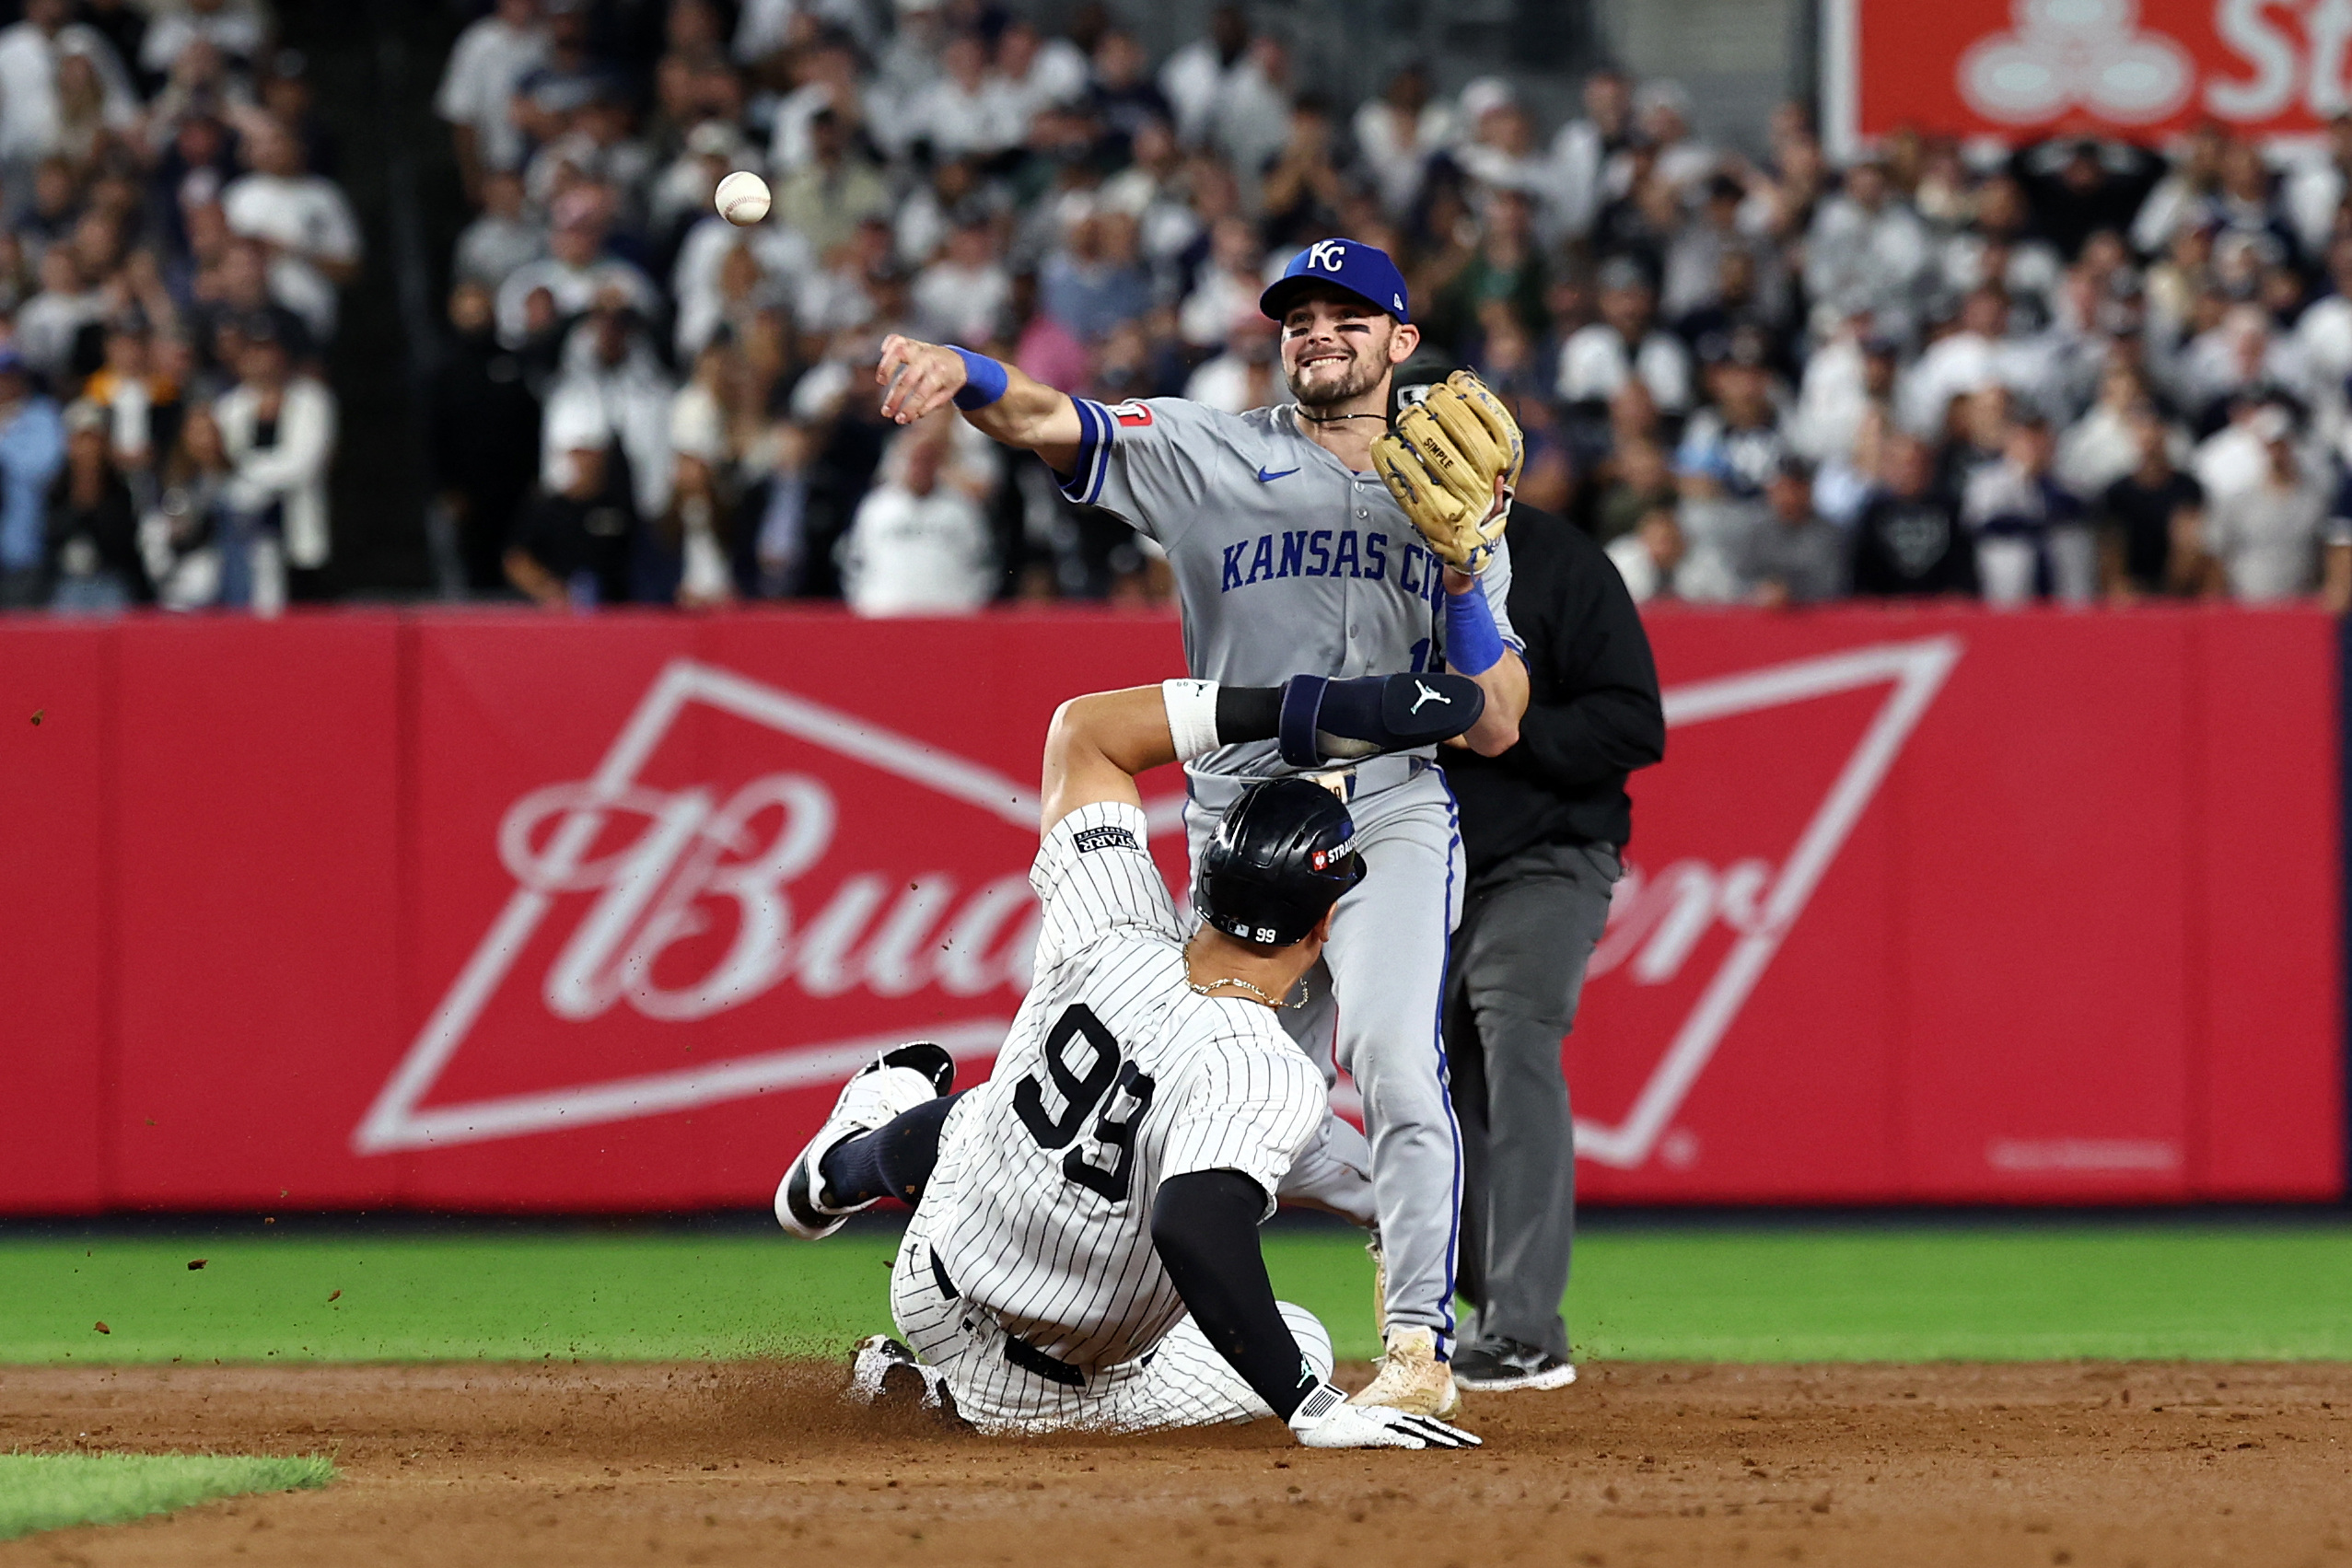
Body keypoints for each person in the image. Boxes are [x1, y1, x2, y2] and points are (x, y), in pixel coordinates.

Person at [874, 236, 1531, 1418]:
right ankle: (1379, 1210)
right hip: (1239, 815)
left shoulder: (1451, 486)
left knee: (1388, 1054)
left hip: (1386, 802)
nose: (1318, 331)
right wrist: (962, 369)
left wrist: (1463, 571)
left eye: (1348, 314)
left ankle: (1422, 1338)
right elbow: (1044, 419)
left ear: (1401, 341)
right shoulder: (1208, 450)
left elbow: (1495, 724)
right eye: (1300, 316)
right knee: (1214, 1086)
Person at [775, 671, 1488, 1446]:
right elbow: (1191, 1222)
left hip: (931, 1270)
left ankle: (834, 1171)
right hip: (1038, 1386)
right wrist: (1308, 1404)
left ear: (1209, 875)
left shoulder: (1112, 919)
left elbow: (1084, 732)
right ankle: (931, 1399)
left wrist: (1305, 709)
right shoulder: (1263, 1068)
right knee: (1301, 1337)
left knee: (990, 1114)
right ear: (1325, 926)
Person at [1438, 499, 1662, 1392]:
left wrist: (1503, 726)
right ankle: (1488, 1295)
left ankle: (1524, 1325)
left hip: (1549, 854)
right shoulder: (1372, 556)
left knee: (1514, 1036)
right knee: (1423, 1069)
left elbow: (1633, 722)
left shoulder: (1560, 561)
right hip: (1432, 862)